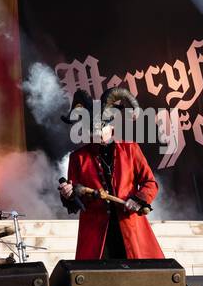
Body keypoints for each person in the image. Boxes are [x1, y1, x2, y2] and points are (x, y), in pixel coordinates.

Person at [57, 87, 164, 260]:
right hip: (96, 233)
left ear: (112, 124)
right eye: (92, 128)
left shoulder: (131, 149)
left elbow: (150, 183)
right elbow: (76, 198)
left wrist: (138, 199)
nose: (97, 132)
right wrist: (69, 194)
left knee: (138, 279)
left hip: (129, 227)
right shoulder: (78, 158)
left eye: (102, 126)